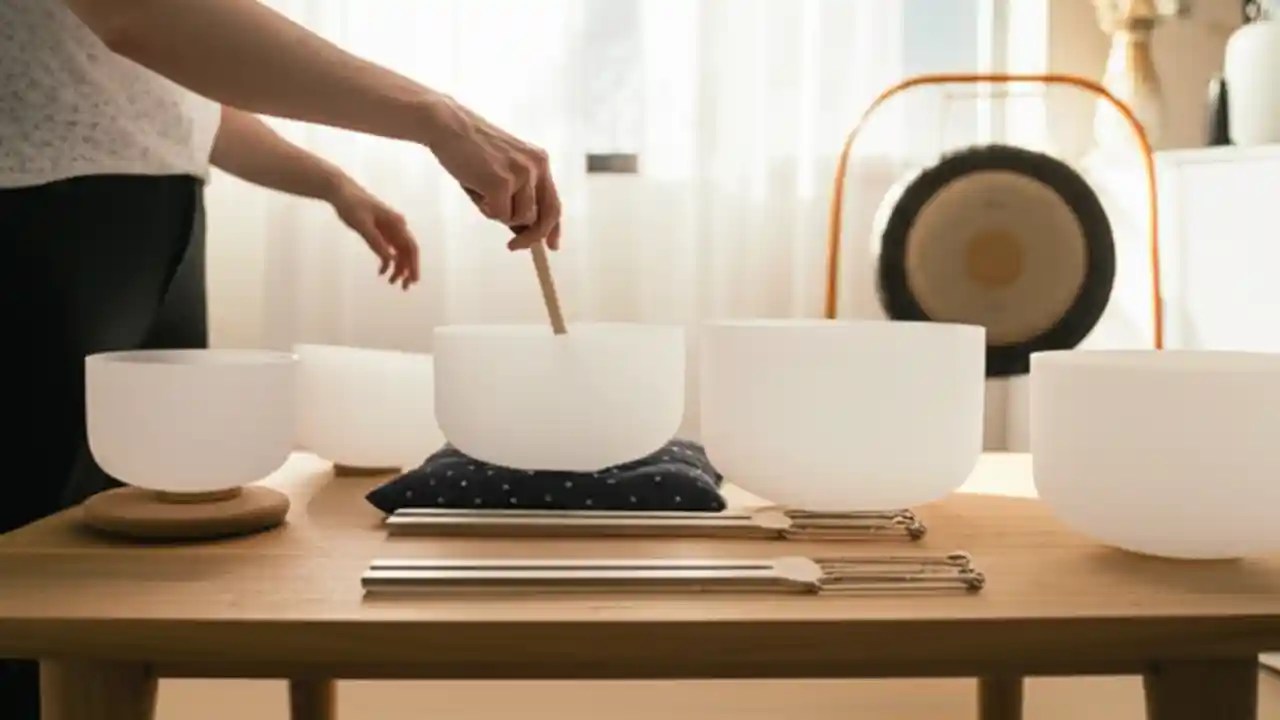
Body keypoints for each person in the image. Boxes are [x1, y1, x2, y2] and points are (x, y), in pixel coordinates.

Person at [0, 0, 562, 715]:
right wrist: (436, 117)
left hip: (152, 225)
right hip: (36, 222)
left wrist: (332, 183)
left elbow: (175, 97)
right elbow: (144, 16)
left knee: (111, 570)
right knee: (27, 580)